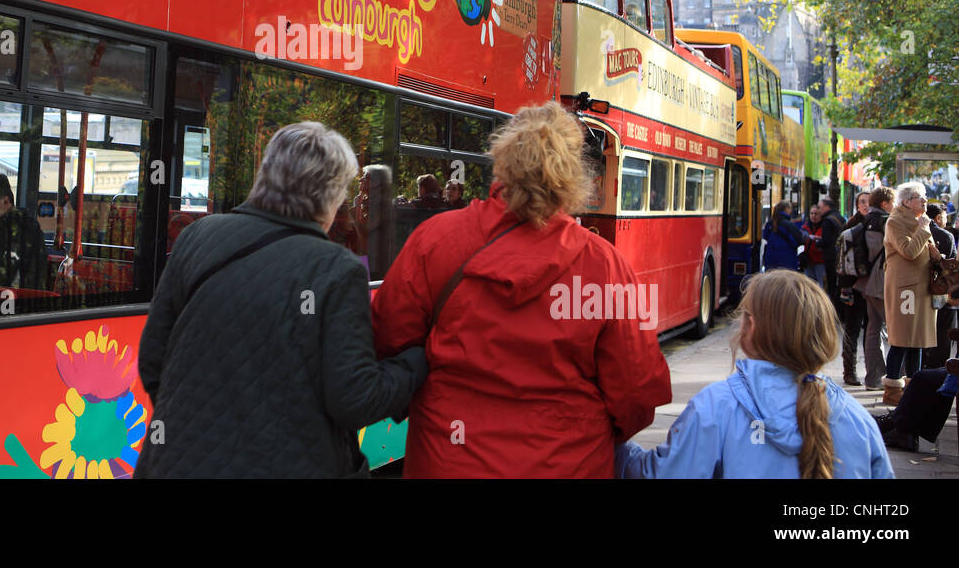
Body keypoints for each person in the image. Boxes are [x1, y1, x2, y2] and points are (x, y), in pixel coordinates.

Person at [371, 102, 671, 478]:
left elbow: (388, 340)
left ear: (502, 160)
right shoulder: (606, 266)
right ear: (573, 172)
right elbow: (638, 391)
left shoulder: (435, 241)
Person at [135, 122, 427, 478]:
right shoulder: (337, 270)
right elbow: (355, 400)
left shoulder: (198, 236)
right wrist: (415, 363)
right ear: (330, 195)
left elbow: (153, 361)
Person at [616, 270, 893, 478]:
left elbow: (662, 474)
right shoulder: (857, 420)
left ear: (752, 327)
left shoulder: (715, 408)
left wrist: (612, 444)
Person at [882, 181, 942, 405]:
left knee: (916, 340)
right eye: (920, 197)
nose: (925, 201)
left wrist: (937, 255)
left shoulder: (918, 220)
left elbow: (926, 250)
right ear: (906, 201)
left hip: (921, 287)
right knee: (901, 340)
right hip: (905, 290)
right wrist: (924, 229)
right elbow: (908, 251)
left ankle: (912, 388)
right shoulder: (896, 221)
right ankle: (892, 389)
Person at [859, 187, 895, 391]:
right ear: (885, 203)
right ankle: (890, 376)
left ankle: (873, 378)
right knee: (893, 328)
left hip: (867, 281)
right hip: (880, 281)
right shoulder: (884, 221)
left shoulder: (865, 219)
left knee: (873, 329)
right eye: (893, 201)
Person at [836, 191, 872, 385]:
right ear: (857, 205)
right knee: (852, 329)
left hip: (872, 287)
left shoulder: (879, 225)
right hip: (853, 287)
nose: (866, 205)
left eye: (869, 202)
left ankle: (871, 371)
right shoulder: (850, 228)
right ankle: (849, 371)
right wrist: (844, 288)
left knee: (873, 330)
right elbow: (840, 262)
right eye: (862, 202)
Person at [924, 203, 957, 371]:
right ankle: (938, 373)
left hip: (920, 292)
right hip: (943, 294)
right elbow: (952, 269)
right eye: (944, 216)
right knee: (943, 339)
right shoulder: (946, 236)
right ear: (938, 218)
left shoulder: (915, 231)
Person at [762, 201, 804, 271]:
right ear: (786, 209)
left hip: (771, 260)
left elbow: (765, 237)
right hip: (787, 260)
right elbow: (798, 241)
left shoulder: (770, 224)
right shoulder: (789, 225)